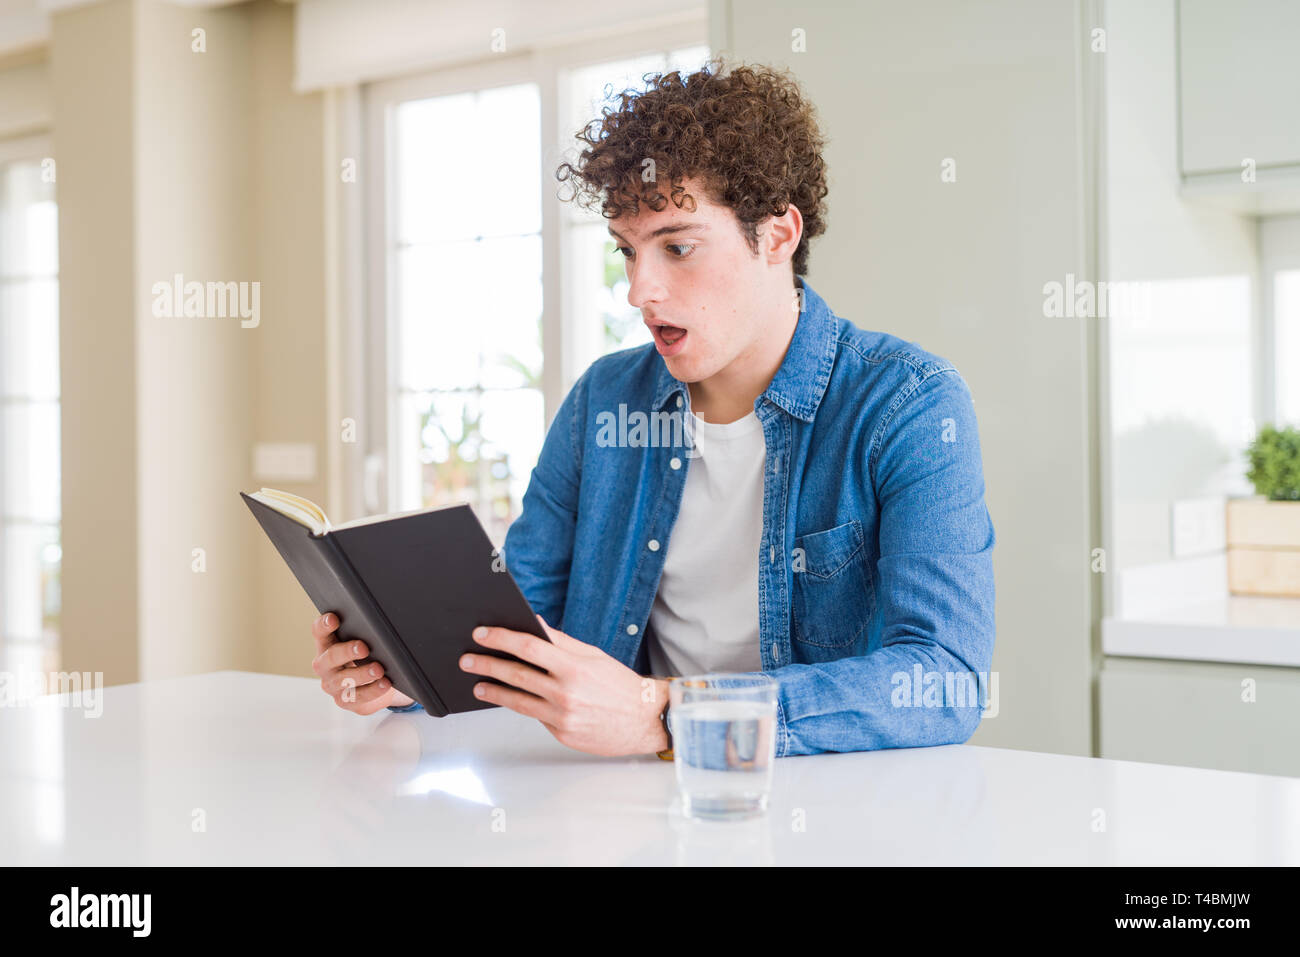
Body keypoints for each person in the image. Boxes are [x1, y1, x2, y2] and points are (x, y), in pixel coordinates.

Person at [311, 58, 996, 759]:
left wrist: (668, 712)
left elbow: (945, 679)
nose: (640, 291)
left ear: (779, 235)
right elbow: (518, 627)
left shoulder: (908, 405)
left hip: (828, 811)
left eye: (677, 247)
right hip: (623, 804)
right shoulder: (603, 402)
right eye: (628, 252)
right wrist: (408, 670)